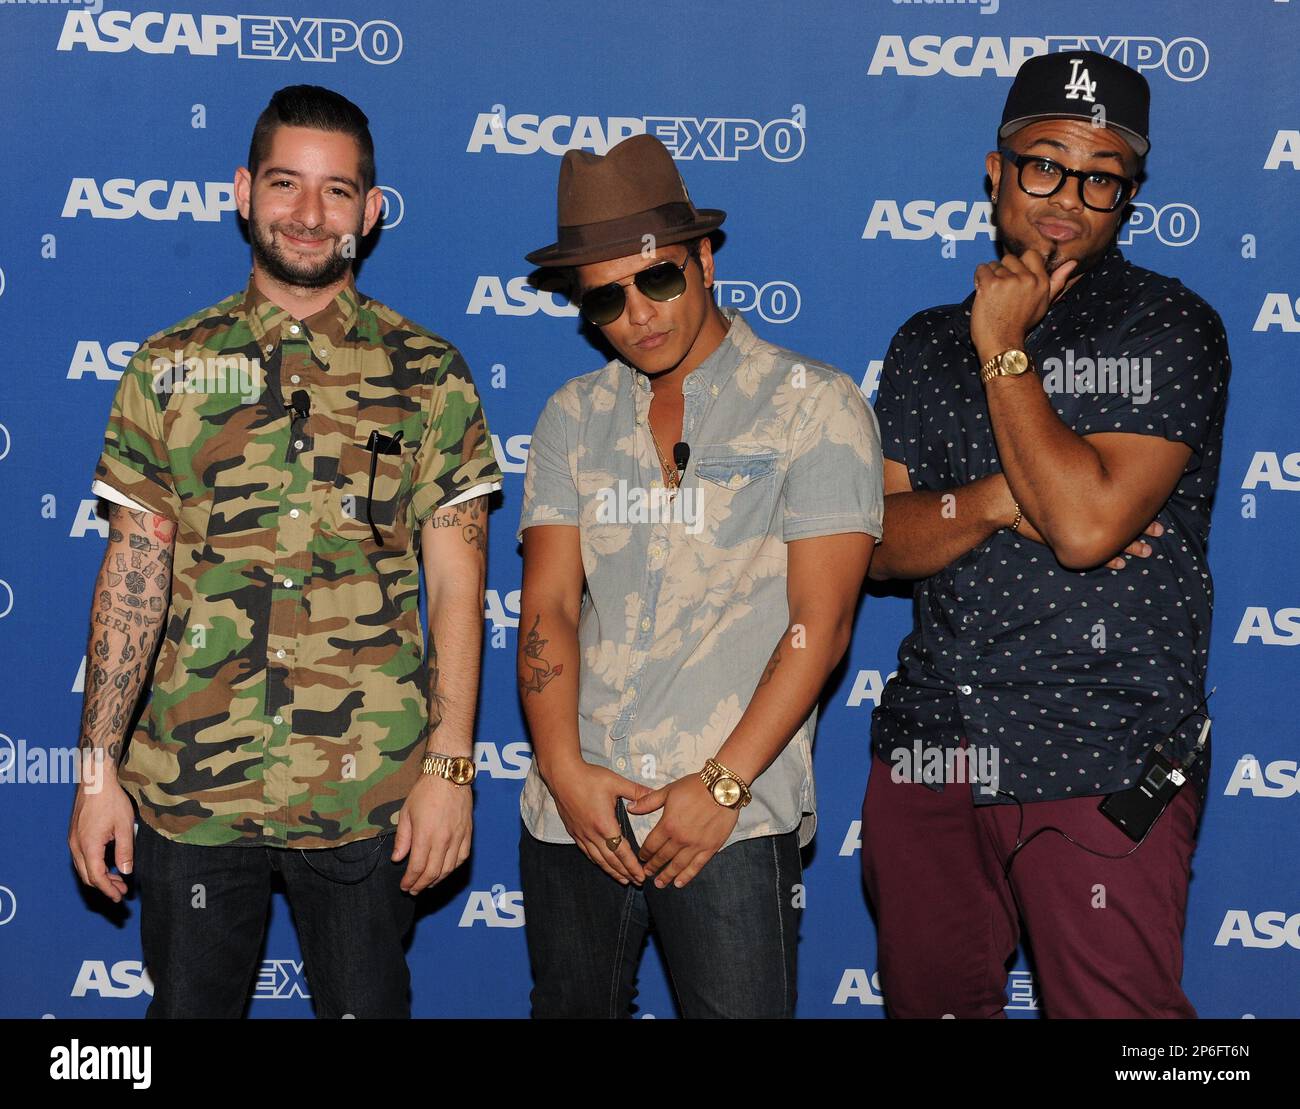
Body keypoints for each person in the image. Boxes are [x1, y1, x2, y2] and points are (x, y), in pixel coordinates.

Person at [68, 85, 503, 1018]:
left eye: (337, 191)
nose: (309, 214)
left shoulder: (430, 373)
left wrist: (450, 768)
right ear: (241, 192)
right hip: (190, 791)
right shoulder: (168, 366)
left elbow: (459, 587)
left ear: (371, 211)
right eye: (285, 184)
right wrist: (98, 772)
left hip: (368, 794)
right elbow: (133, 572)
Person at [863, 51, 1230, 1018]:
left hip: (1103, 749)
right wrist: (996, 500)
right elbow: (876, 543)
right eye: (1044, 164)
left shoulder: (1168, 326)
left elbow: (1080, 526)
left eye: (1101, 177)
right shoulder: (920, 341)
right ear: (996, 171)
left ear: (1130, 197)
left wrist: (1004, 347)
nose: (1069, 197)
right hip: (934, 746)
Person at [515, 133, 884, 1018]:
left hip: (729, 819)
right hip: (577, 812)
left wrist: (722, 784)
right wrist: (563, 769)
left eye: (658, 279)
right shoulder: (572, 416)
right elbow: (551, 608)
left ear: (705, 260)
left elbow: (821, 622)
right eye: (605, 297)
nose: (638, 312)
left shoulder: (814, 404)